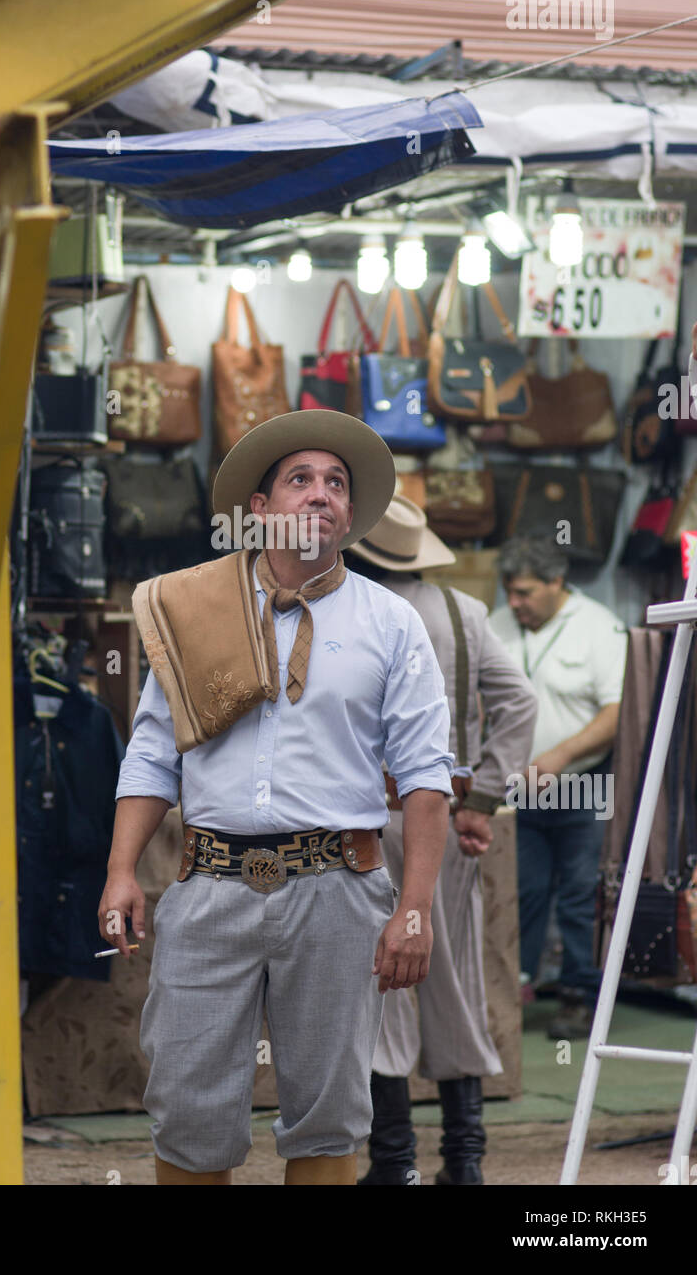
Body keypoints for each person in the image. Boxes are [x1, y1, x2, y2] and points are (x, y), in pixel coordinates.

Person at [98, 410, 455, 1185]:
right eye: (300, 479)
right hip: (209, 886)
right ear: (258, 511)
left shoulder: (391, 623)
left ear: (350, 517)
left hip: (338, 889)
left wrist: (415, 909)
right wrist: (122, 870)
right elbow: (152, 752)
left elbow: (427, 777)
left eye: (335, 484)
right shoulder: (193, 611)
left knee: (328, 1114)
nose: (320, 495)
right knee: (188, 1109)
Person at [346, 495, 537, 1185]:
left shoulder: (346, 609)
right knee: (452, 984)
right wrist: (483, 797)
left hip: (366, 821)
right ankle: (465, 1161)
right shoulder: (465, 612)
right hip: (449, 821)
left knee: (381, 984)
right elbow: (520, 701)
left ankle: (392, 1164)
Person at [489, 536, 628, 1040]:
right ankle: (514, 991)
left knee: (580, 891)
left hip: (583, 782)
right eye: (510, 591)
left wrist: (560, 755)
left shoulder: (599, 628)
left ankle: (579, 996)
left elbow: (618, 712)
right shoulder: (498, 624)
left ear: (555, 582)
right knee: (519, 889)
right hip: (516, 787)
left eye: (525, 592)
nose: (515, 602)